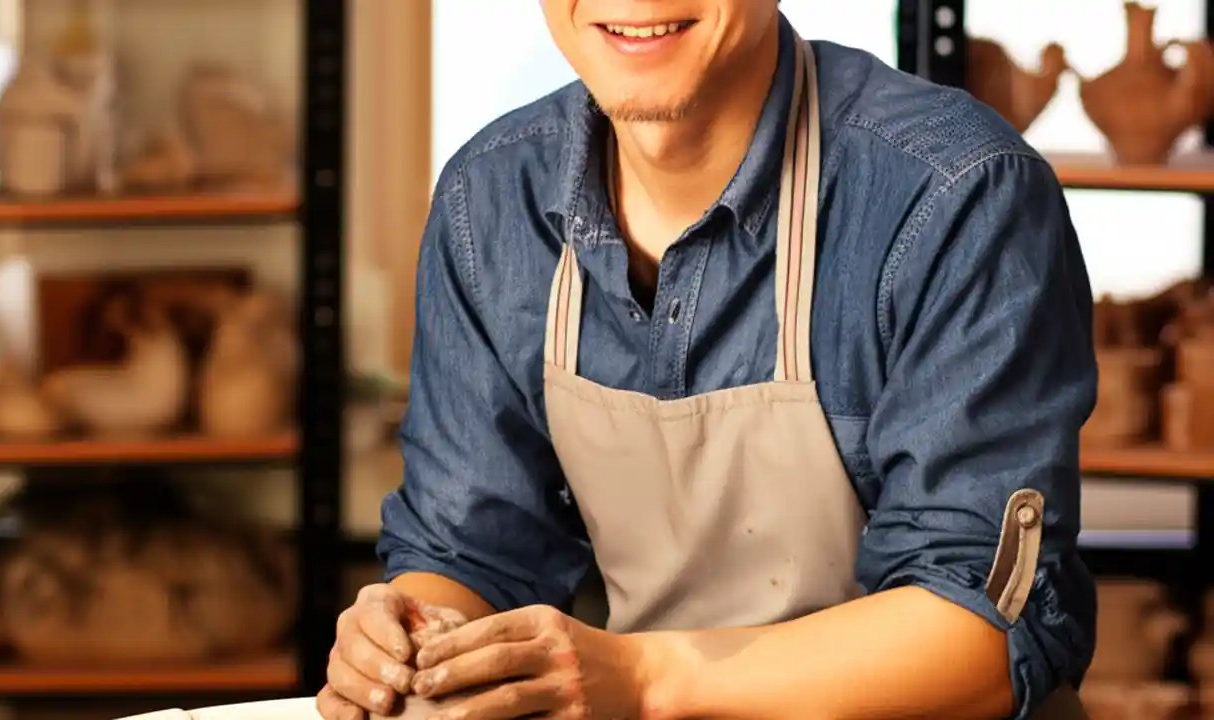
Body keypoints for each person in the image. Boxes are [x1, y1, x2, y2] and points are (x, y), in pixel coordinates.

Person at [318, 1, 1098, 718]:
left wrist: (646, 678)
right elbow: (471, 554)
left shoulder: (955, 193)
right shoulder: (488, 201)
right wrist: (412, 637)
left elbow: (986, 629)